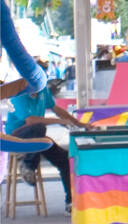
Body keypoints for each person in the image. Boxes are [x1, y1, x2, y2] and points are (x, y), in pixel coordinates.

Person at [3, 77, 81, 213]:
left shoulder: (43, 90)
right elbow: (30, 121)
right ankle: (28, 166)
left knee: (64, 160)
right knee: (38, 127)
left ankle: (70, 202)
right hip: (16, 136)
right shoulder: (18, 96)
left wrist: (78, 123)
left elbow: (56, 108)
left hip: (37, 138)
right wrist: (59, 121)